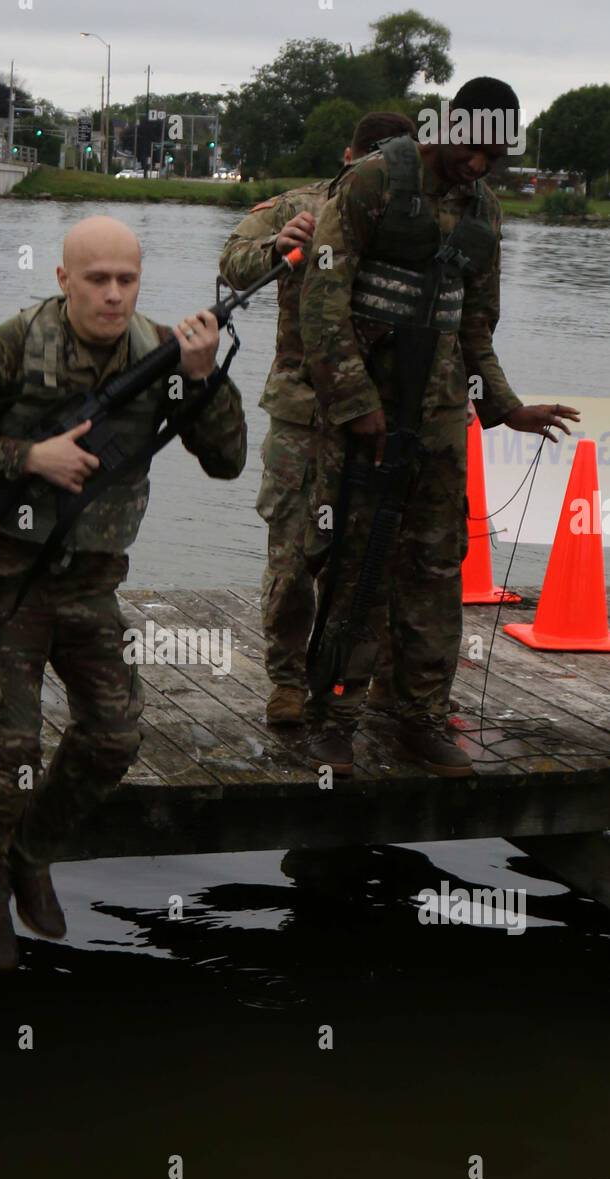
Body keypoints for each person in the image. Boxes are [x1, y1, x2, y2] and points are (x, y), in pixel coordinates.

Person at [0, 215, 247, 971]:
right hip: (6, 581)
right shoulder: (12, 346)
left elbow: (228, 461)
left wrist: (200, 379)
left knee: (115, 737)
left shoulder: (165, 351)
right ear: (64, 280)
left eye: (127, 280)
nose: (113, 295)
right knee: (9, 748)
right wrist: (30, 455)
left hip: (91, 585)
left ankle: (34, 851)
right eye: (97, 279)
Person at [299, 77, 580, 777]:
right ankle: (333, 713)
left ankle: (419, 717)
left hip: (441, 414)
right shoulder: (372, 183)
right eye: (470, 149)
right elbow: (323, 299)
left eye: (493, 156)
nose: (479, 165)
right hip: (367, 411)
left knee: (434, 564)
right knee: (356, 559)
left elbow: (475, 326)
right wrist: (356, 401)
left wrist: (507, 407)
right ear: (446, 126)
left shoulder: (484, 210)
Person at [219, 112, 417, 725]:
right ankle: (285, 680)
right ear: (348, 155)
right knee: (292, 552)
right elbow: (232, 264)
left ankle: (367, 679)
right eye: (365, 160)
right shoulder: (300, 206)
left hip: (382, 416)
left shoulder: (412, 217)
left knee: (374, 551)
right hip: (304, 412)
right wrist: (278, 248)